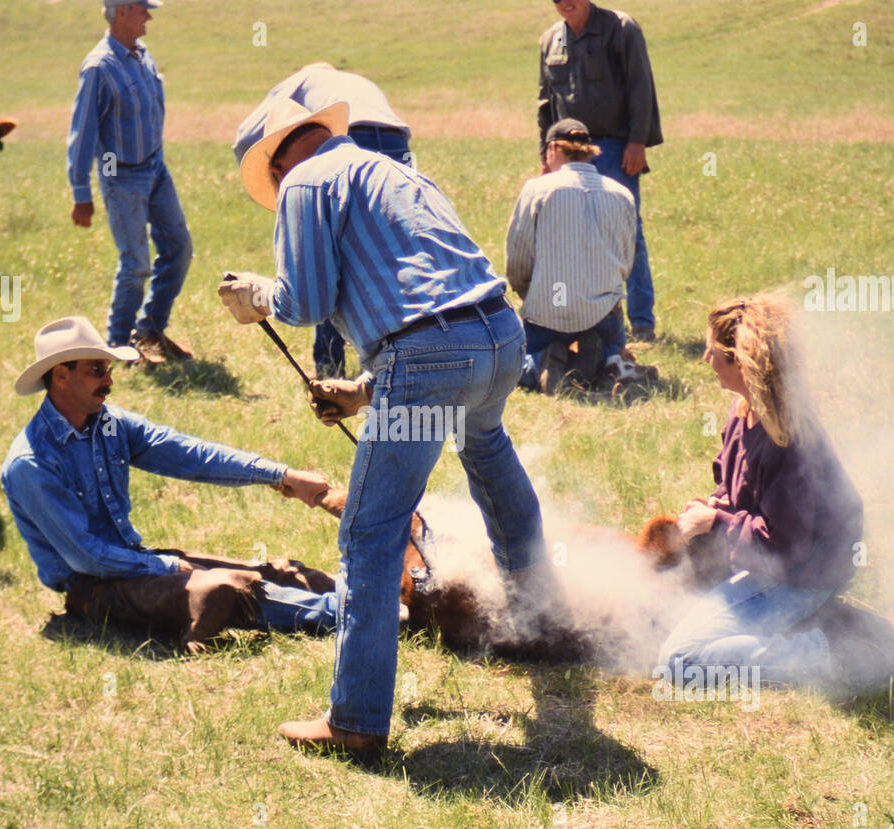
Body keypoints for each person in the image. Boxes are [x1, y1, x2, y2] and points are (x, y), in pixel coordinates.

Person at [219, 101, 563, 756]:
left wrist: (259, 295)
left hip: (430, 353)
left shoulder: (303, 183)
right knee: (488, 454)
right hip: (495, 336)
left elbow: (308, 302)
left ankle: (354, 721)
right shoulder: (390, 170)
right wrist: (367, 391)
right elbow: (436, 296)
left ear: (275, 158)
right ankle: (538, 620)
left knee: (371, 534)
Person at [2, 317, 340, 650]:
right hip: (94, 589)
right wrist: (165, 565)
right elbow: (87, 558)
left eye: (108, 369)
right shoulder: (32, 464)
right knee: (223, 590)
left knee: (277, 572)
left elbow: (190, 455)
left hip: (134, 564)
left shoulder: (109, 423)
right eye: (96, 370)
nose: (108, 381)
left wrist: (279, 475)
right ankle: (355, 616)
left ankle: (363, 596)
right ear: (61, 375)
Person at [656, 296, 894, 691]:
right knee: (671, 618)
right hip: (776, 567)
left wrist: (716, 522)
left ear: (741, 361)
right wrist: (717, 502)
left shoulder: (787, 439)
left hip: (799, 576)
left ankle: (836, 652)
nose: (706, 358)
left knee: (680, 661)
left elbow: (785, 546)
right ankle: (837, 627)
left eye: (714, 351)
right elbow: (738, 487)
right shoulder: (743, 409)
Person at [232, 63, 414, 380]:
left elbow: (246, 135)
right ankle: (399, 351)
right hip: (396, 143)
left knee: (326, 254)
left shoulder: (299, 81)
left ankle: (329, 365)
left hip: (347, 137)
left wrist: (267, 177)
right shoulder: (358, 80)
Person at [67, 0, 193, 368]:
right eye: (143, 9)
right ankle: (119, 346)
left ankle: (150, 331)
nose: (149, 15)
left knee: (179, 248)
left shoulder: (142, 55)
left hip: (155, 168)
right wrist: (81, 193)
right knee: (136, 263)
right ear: (123, 12)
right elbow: (83, 134)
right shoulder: (98, 68)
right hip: (121, 175)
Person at [539, 0, 662, 342]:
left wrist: (638, 141)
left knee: (624, 232)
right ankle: (590, 320)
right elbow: (546, 102)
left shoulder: (621, 28)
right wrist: (546, 153)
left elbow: (641, 87)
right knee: (572, 235)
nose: (564, 2)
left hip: (615, 147)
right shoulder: (551, 39)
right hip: (567, 153)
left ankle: (641, 323)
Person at [505, 117, 643, 392]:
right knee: (611, 346)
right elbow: (627, 263)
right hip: (603, 311)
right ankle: (605, 362)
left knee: (514, 366)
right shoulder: (622, 193)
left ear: (553, 148)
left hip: (547, 309)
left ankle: (541, 362)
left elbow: (518, 260)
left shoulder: (536, 190)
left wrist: (527, 293)